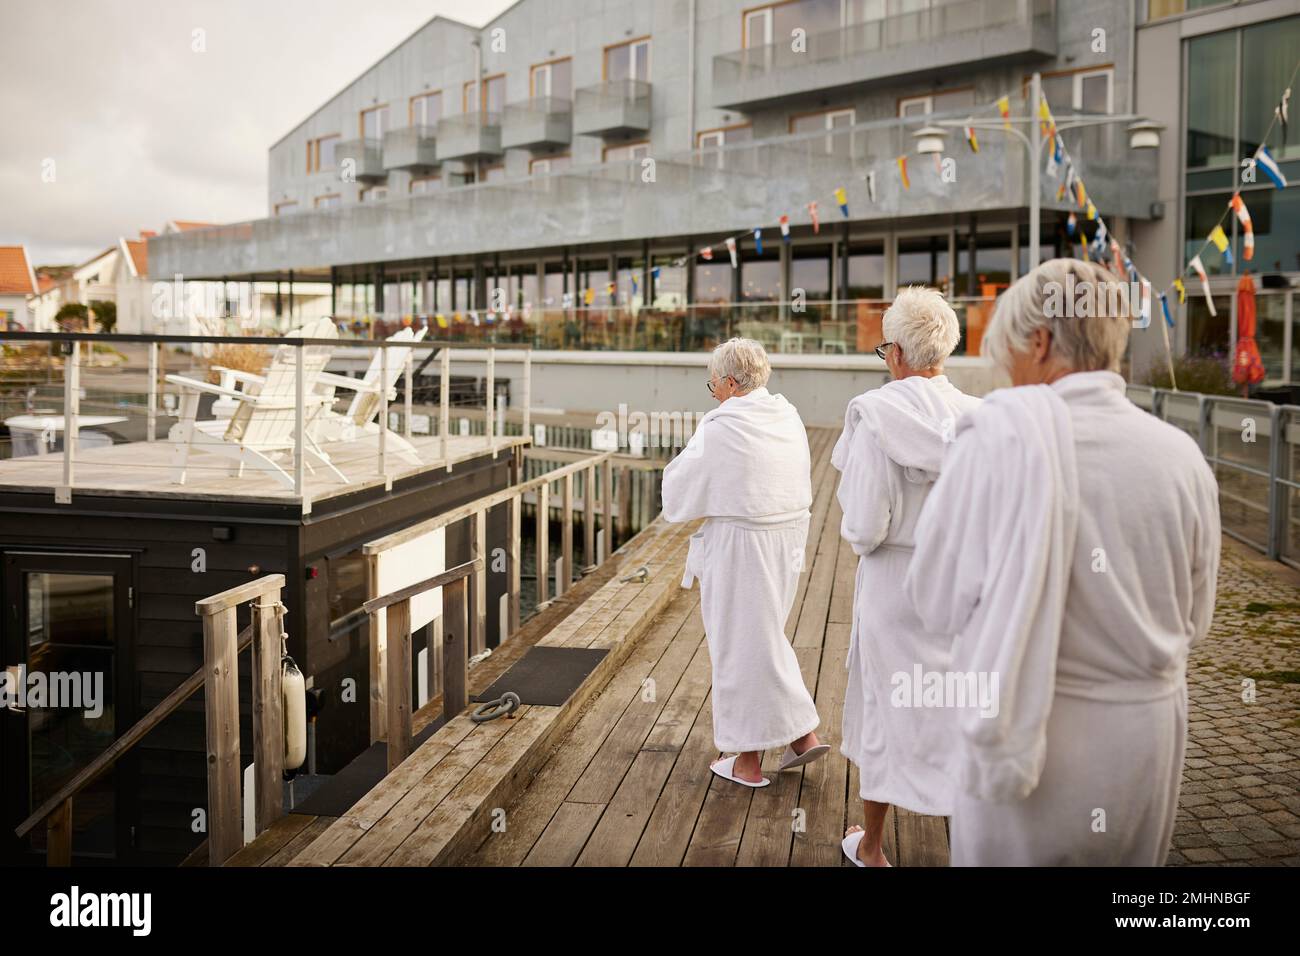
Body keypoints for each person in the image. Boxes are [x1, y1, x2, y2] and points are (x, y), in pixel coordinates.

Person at [906, 259, 1221, 865]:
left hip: (1034, 734)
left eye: (1009, 356)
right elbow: (1197, 620)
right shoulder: (1182, 458)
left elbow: (936, 601)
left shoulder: (997, 443)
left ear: (1041, 342)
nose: (1007, 377)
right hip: (1144, 741)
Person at [832, 287, 982, 868]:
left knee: (884, 710)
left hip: (897, 584)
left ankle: (872, 848)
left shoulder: (877, 419)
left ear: (894, 352)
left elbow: (865, 528)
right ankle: (973, 842)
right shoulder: (977, 418)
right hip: (961, 584)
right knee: (959, 708)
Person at [661, 337, 827, 788]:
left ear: (731, 383)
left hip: (743, 546)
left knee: (740, 646)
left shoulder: (723, 425)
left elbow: (677, 491)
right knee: (763, 638)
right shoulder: (786, 415)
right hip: (789, 538)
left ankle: (748, 762)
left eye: (712, 384)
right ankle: (802, 737)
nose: (712, 392)